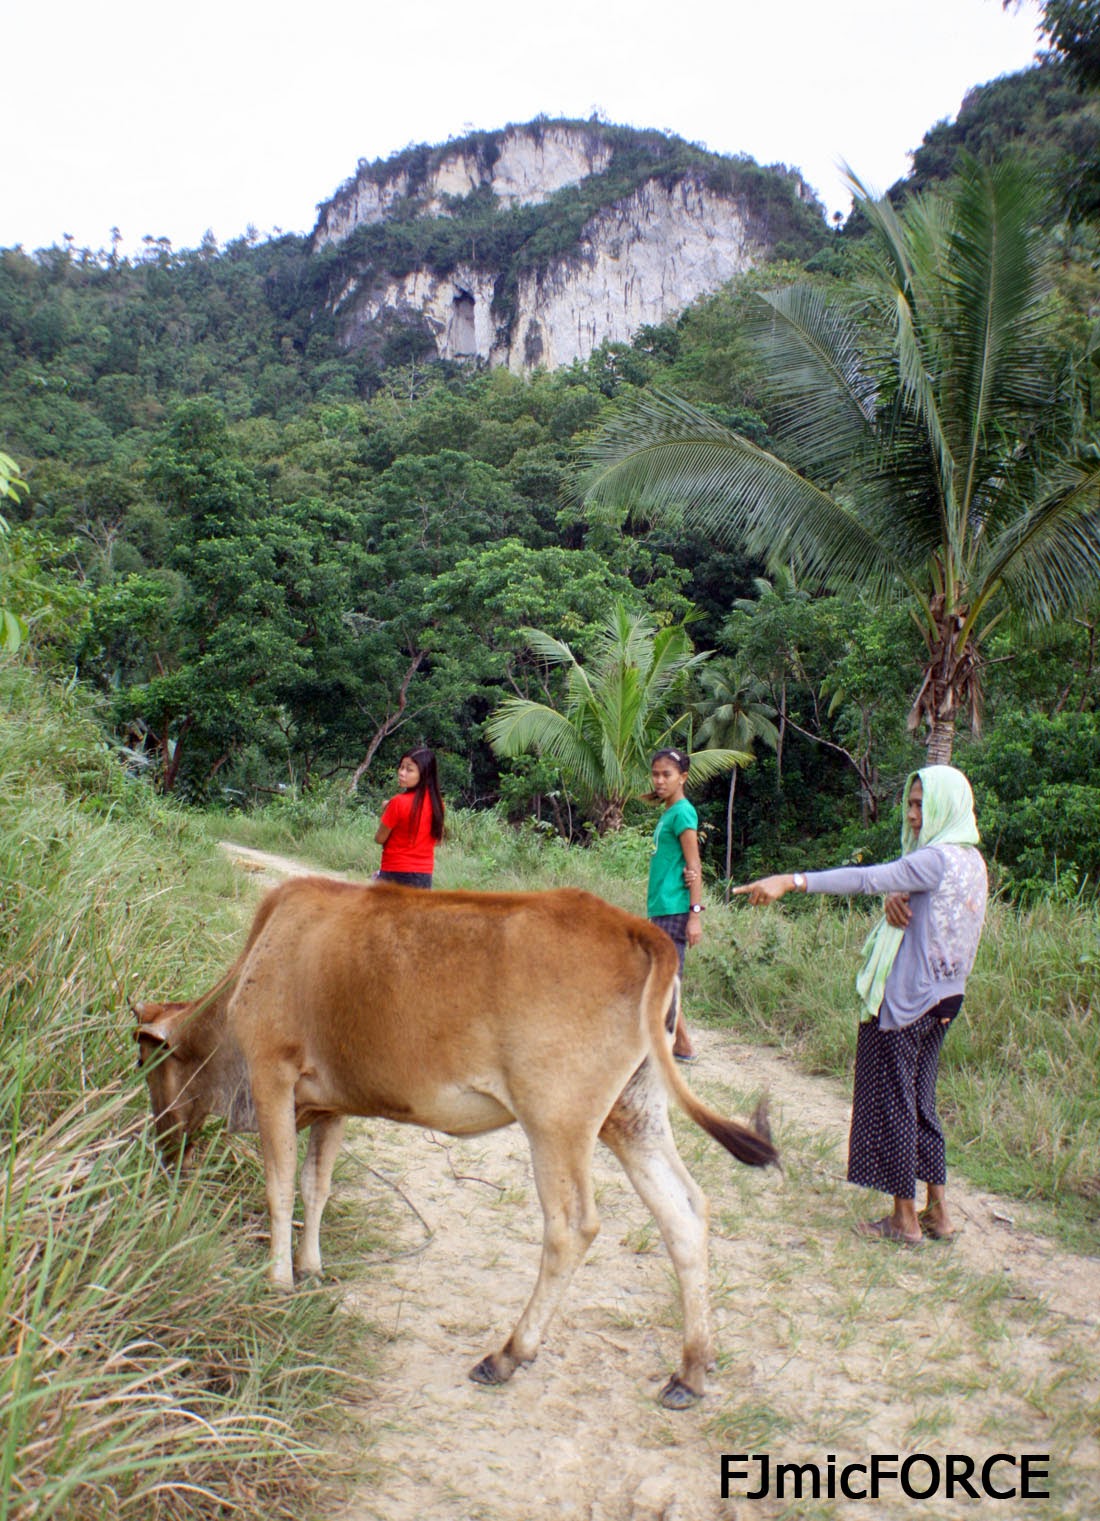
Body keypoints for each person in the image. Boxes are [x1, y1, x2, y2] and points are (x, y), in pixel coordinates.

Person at [734, 765, 987, 1247]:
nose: (913, 815)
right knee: (920, 1101)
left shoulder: (932, 860)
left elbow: (866, 878)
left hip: (909, 999)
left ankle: (904, 1220)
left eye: (921, 805)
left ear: (945, 807)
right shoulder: (971, 861)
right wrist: (899, 893)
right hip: (948, 998)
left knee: (895, 1103)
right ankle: (939, 1212)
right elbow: (920, 904)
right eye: (910, 804)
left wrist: (792, 880)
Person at [646, 748, 706, 1063]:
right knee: (665, 978)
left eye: (666, 775)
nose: (659, 780)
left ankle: (672, 1046)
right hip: (662, 906)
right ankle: (681, 1045)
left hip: (674, 908)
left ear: (682, 777)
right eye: (655, 774)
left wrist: (694, 915)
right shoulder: (669, 812)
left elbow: (694, 865)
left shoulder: (683, 812)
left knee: (667, 980)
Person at [374, 747, 445, 888]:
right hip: (423, 876)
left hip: (394, 871)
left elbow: (379, 838)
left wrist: (387, 811)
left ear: (424, 774)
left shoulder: (397, 802)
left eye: (409, 770)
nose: (401, 773)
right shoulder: (438, 804)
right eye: (401, 767)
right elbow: (437, 841)